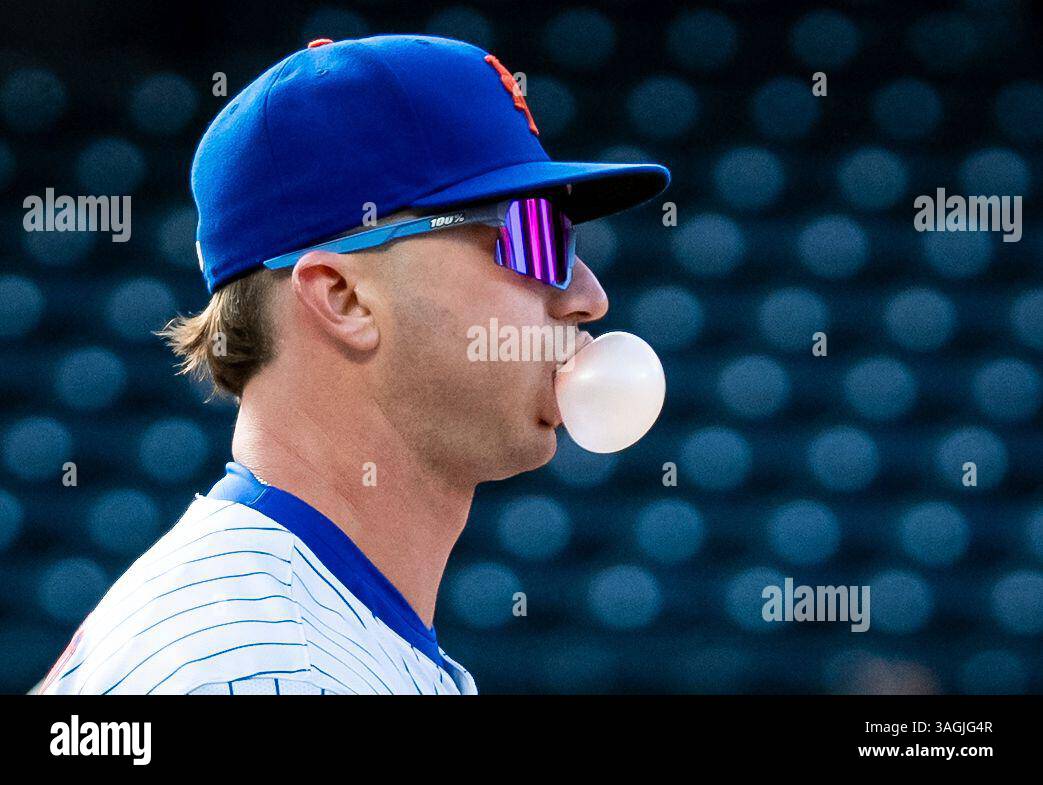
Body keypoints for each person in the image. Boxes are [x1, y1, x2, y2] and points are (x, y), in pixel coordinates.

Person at [38, 34, 669, 695]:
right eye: (532, 235)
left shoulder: (289, 628)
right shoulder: (266, 667)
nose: (588, 295)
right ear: (343, 297)